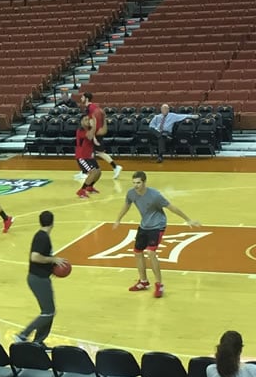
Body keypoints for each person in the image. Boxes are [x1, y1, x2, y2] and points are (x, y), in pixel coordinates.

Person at [115, 170, 201, 298]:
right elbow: (126, 205)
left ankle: (159, 284)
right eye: (134, 183)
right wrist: (118, 219)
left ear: (144, 182)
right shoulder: (131, 193)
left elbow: (171, 207)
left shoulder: (155, 195)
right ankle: (143, 282)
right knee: (137, 252)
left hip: (157, 226)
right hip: (144, 225)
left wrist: (188, 219)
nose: (136, 186)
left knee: (151, 252)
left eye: (138, 183)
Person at [16, 210, 60, 344]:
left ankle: (38, 342)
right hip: (38, 279)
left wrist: (51, 268)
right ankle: (23, 335)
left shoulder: (42, 236)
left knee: (49, 312)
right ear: (52, 223)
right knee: (48, 312)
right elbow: (35, 257)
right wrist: (53, 260)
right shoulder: (42, 238)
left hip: (40, 278)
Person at [74, 115, 102, 198]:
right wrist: (94, 125)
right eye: (86, 119)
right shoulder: (80, 131)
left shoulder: (90, 129)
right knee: (92, 172)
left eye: (89, 119)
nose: (88, 121)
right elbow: (89, 136)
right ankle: (81, 191)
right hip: (82, 156)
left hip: (89, 156)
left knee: (98, 171)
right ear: (81, 122)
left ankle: (90, 187)